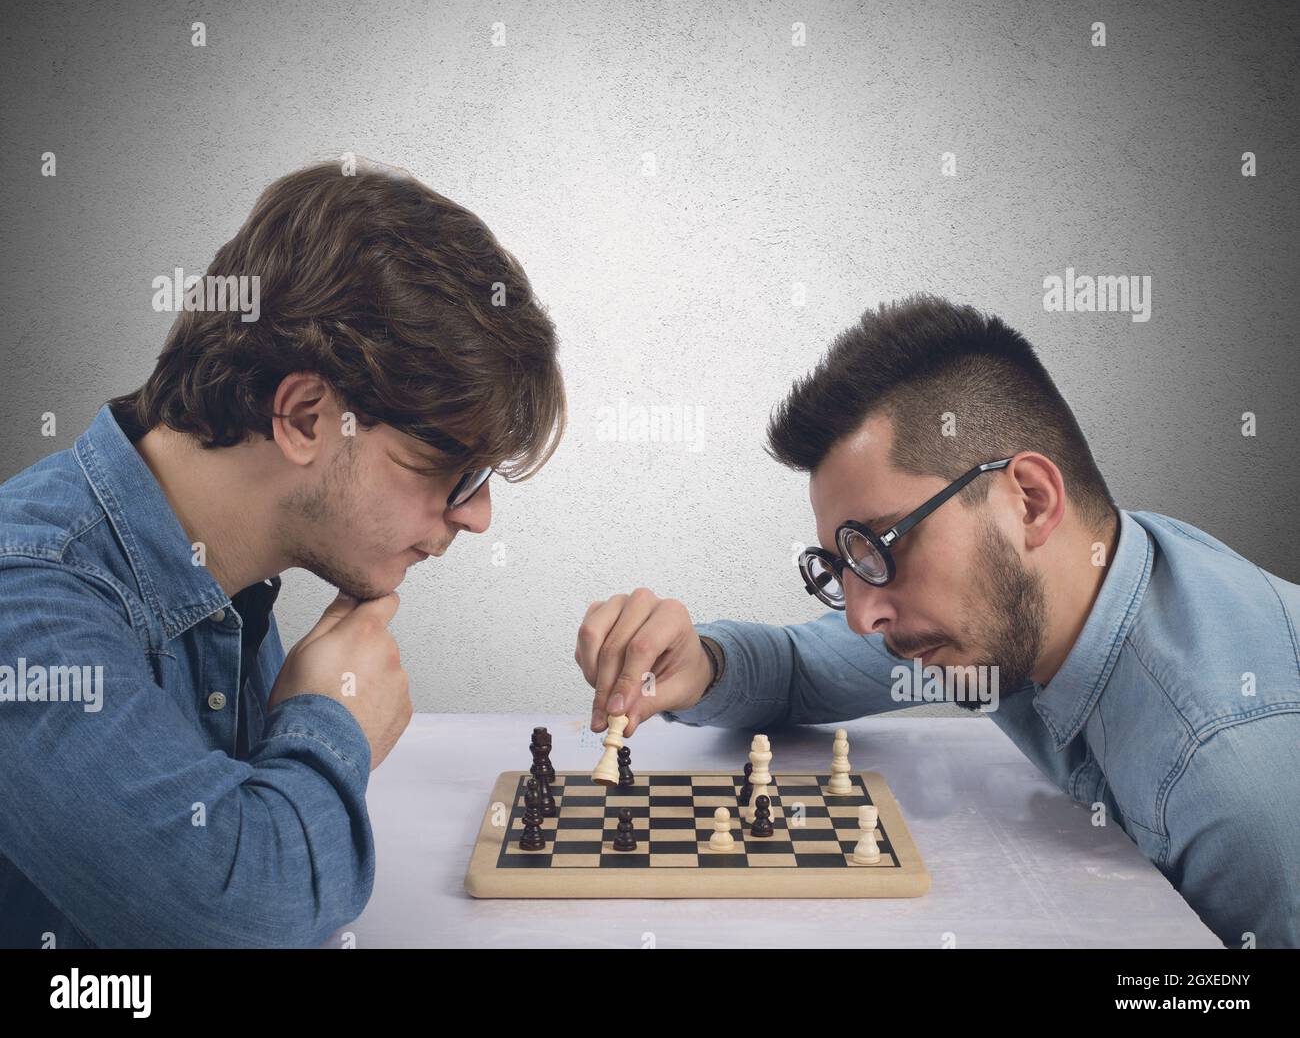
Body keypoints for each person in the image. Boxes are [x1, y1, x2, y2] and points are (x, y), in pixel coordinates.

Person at [576, 295, 1299, 948]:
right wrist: (701, 661)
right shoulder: (1021, 604)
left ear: (1031, 501)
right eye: (843, 564)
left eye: (885, 544)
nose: (862, 617)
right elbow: (800, 669)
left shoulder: (1229, 782)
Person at [0, 160, 565, 947]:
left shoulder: (227, 575)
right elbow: (242, 919)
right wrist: (330, 724)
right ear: (305, 416)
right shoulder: (24, 600)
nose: (478, 515)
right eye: (454, 468)